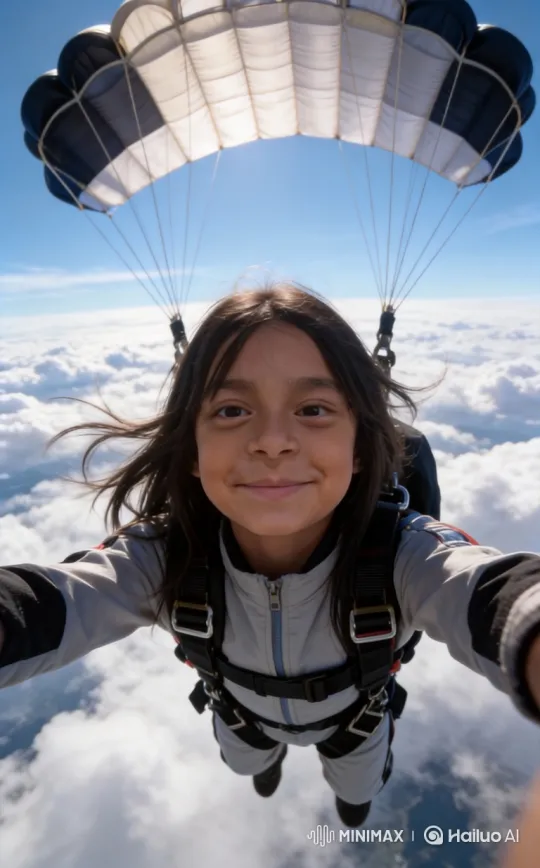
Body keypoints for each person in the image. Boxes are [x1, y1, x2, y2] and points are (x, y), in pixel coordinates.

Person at [1, 283, 540, 830]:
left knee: (357, 788)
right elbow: (50, 604)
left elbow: (491, 591)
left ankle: (349, 805)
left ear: (360, 451)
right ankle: (271, 770)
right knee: (247, 762)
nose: (273, 441)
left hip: (354, 722)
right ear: (190, 451)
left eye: (314, 408)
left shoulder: (400, 554)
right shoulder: (165, 559)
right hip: (241, 719)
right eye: (232, 410)